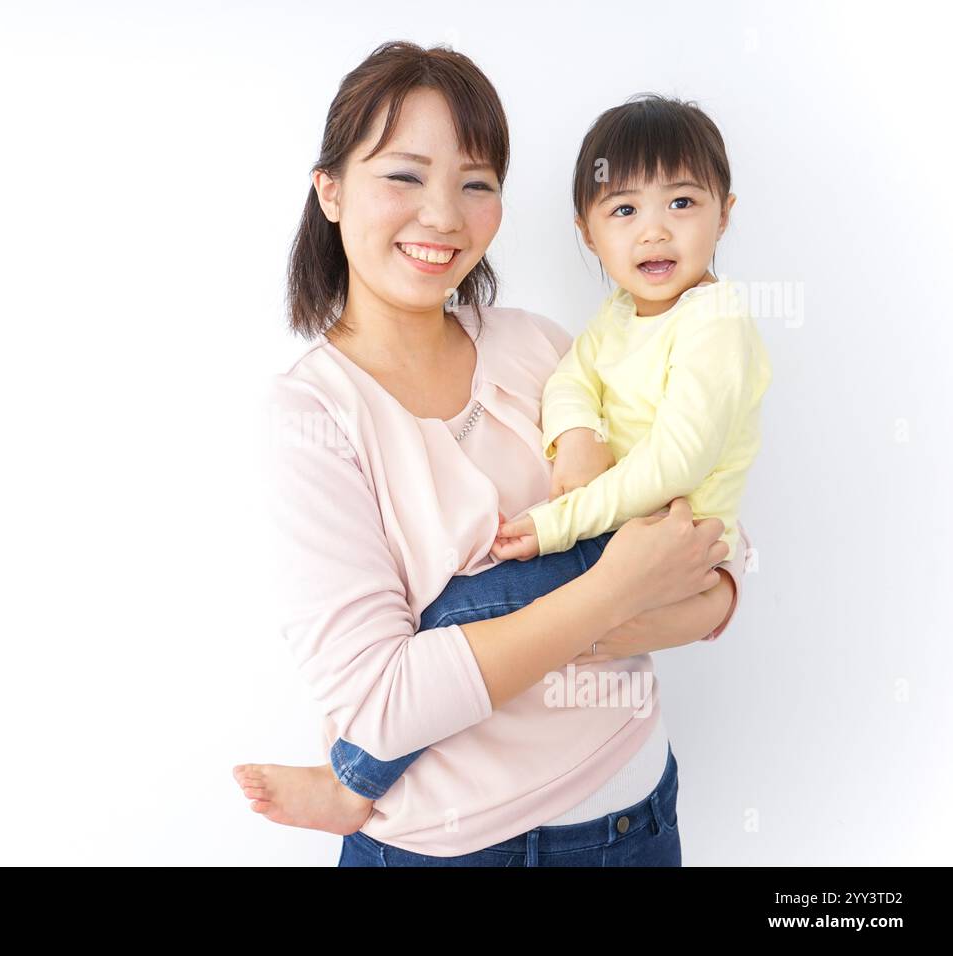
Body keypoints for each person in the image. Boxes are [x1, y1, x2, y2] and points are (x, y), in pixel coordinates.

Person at [232, 42, 749, 866]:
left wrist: (710, 597)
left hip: (635, 818)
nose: (442, 215)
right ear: (329, 190)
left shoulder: (543, 351)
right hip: (447, 849)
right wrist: (610, 593)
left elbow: (705, 539)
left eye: (476, 184)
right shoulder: (310, 416)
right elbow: (386, 698)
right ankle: (349, 783)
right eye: (403, 175)